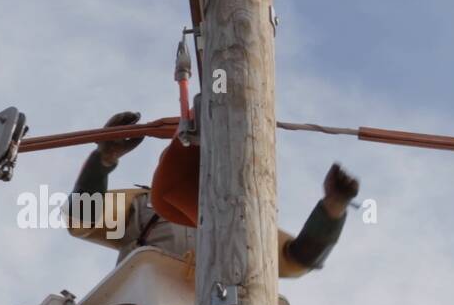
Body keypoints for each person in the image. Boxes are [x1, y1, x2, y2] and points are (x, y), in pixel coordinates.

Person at [68, 111, 359, 276]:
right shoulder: (146, 206)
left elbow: (297, 260)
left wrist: (332, 209)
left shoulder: (245, 221)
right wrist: (103, 159)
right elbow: (82, 219)